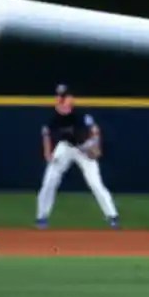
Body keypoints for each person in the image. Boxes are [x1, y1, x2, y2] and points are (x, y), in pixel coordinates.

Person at [36, 84, 121, 229]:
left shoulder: (81, 115)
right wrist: (48, 153)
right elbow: (46, 135)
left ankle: (112, 216)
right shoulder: (52, 117)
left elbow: (95, 131)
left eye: (64, 97)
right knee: (50, 180)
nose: (60, 99)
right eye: (59, 97)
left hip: (84, 147)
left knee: (95, 183)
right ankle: (42, 216)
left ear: (71, 98)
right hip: (65, 147)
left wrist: (96, 148)